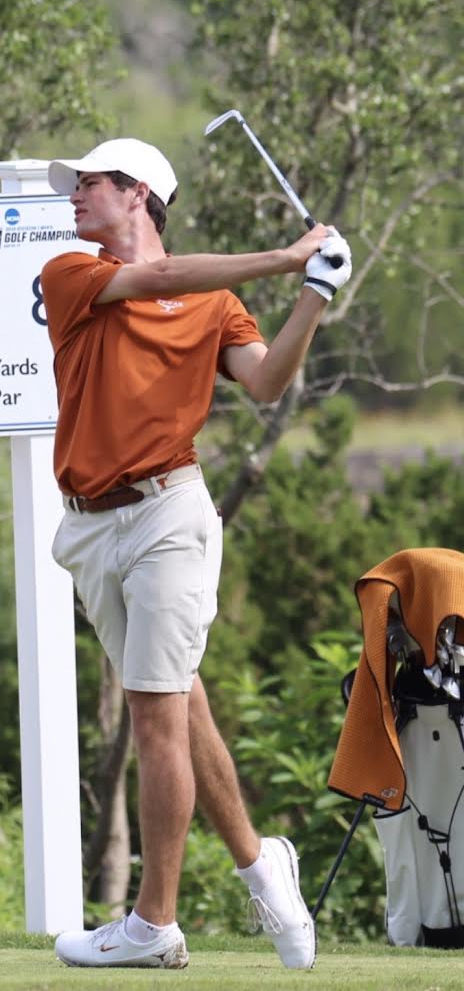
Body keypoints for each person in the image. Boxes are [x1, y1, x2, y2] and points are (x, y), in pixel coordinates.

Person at [40, 137, 352, 970]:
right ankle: (261, 863)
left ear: (137, 193)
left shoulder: (216, 305)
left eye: (90, 182)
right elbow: (163, 277)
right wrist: (288, 256)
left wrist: (314, 295)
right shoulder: (70, 273)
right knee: (178, 704)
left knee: (153, 712)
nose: (75, 195)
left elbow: (267, 380)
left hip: (170, 512)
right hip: (90, 526)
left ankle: (154, 925)